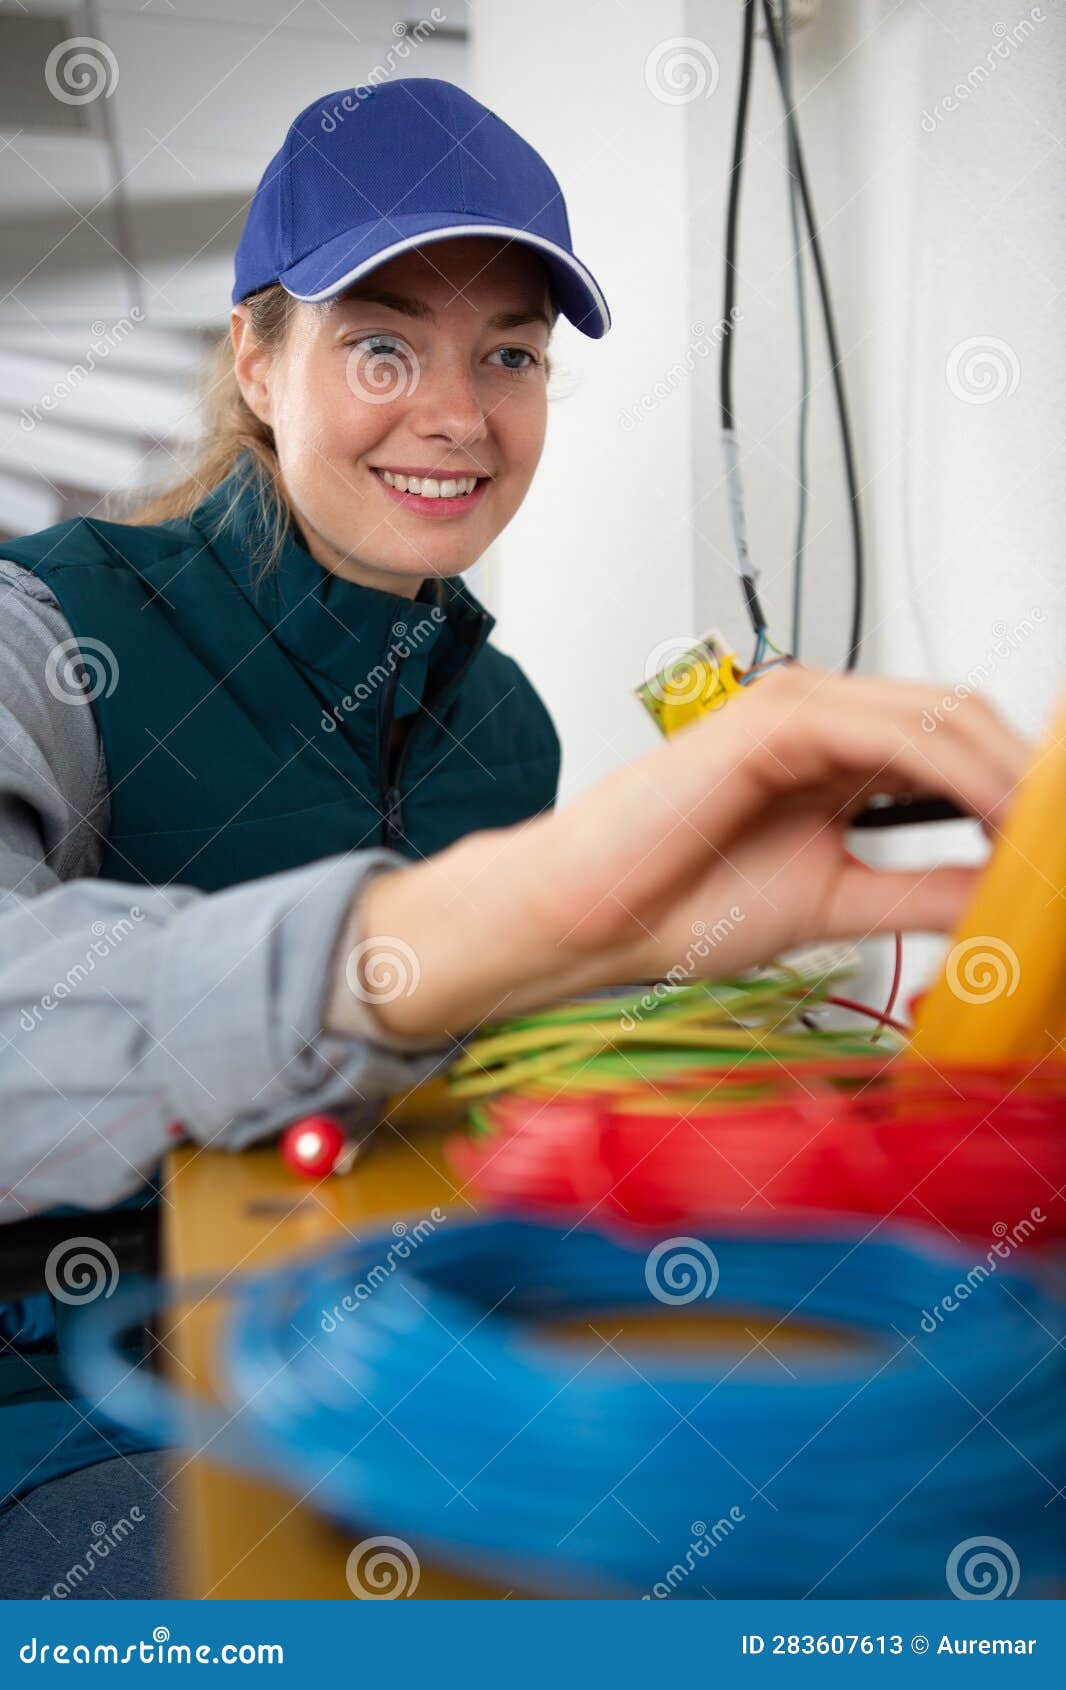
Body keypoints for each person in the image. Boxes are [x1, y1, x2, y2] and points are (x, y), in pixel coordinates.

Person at [0, 77, 1029, 1599]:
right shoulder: (44, 624)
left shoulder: (508, 727)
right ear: (257, 358)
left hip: (389, 1341)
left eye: (510, 355)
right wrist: (469, 928)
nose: (457, 414)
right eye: (381, 343)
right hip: (73, 1410)